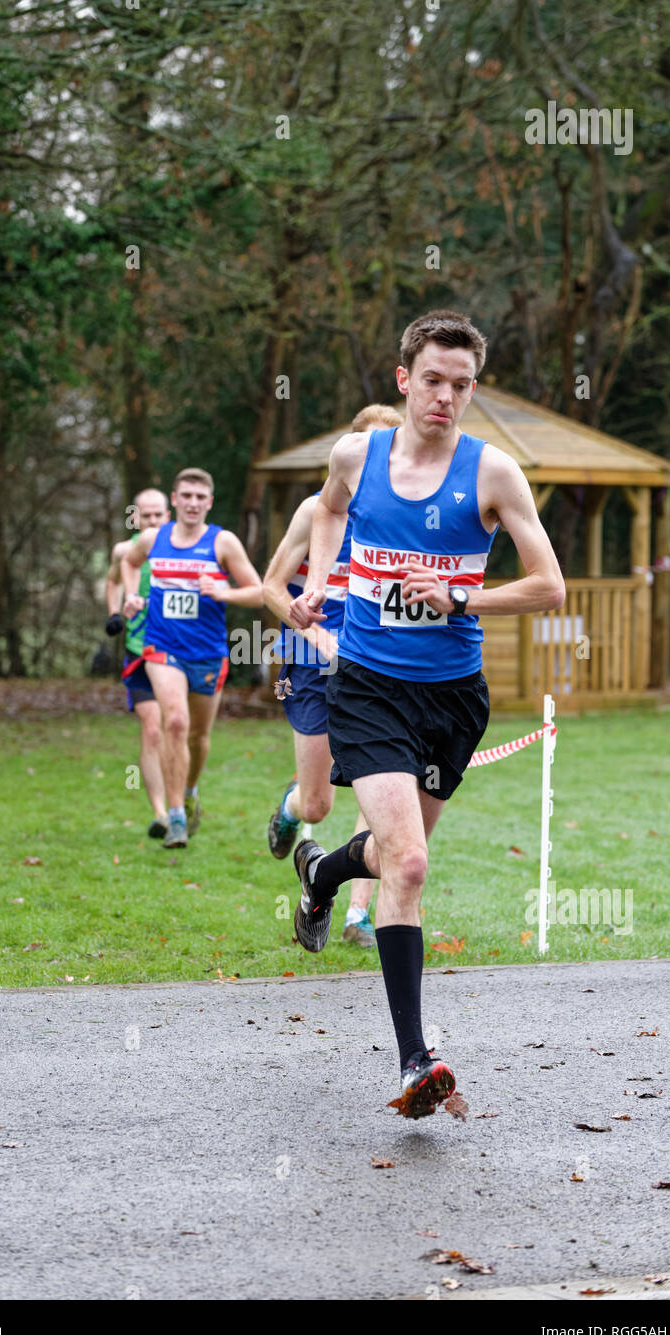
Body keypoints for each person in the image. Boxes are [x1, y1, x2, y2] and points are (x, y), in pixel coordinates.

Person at [288, 310, 565, 1118]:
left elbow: (549, 586)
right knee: (408, 866)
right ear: (404, 379)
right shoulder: (356, 454)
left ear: (473, 390)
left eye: (462, 384)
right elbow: (329, 509)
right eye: (433, 380)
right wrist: (320, 580)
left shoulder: (492, 475)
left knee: (388, 856)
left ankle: (322, 871)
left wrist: (461, 596)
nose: (445, 396)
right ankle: (416, 1060)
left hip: (454, 698)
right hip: (369, 688)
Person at [262, 404, 403, 949]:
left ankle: (357, 915)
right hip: (310, 667)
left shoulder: (401, 521)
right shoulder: (312, 511)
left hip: (374, 670)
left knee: (381, 790)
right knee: (321, 803)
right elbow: (271, 587)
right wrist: (302, 619)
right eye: (364, 449)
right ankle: (291, 808)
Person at [122, 468, 263, 848]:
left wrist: (223, 591)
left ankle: (189, 790)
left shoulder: (223, 543)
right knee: (176, 724)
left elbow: (259, 592)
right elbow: (129, 561)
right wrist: (132, 597)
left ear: (210, 503)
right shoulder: (154, 538)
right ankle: (176, 817)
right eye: (186, 495)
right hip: (162, 649)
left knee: (199, 737)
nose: (193, 503)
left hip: (208, 653)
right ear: (174, 499)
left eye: (200, 497)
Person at [105, 488, 171, 838]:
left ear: (167, 514)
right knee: (152, 727)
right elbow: (113, 581)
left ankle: (182, 799)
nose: (151, 522)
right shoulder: (123, 551)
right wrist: (114, 614)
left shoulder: (182, 550)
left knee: (178, 728)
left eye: (157, 516)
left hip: (176, 651)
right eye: (145, 516)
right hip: (138, 649)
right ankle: (161, 813)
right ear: (135, 517)